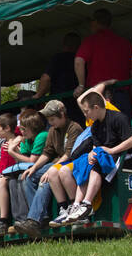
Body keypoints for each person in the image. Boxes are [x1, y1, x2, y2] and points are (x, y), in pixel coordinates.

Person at [52, 91, 132, 225]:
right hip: (107, 156)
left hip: (125, 156)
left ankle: (86, 204)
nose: (85, 115)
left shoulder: (118, 118)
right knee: (85, 164)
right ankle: (77, 205)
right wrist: (92, 154)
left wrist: (111, 150)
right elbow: (97, 146)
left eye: (86, 112)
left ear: (96, 108)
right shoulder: (95, 126)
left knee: (96, 165)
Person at [10, 100, 86, 238]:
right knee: (29, 177)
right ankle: (42, 217)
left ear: (62, 115)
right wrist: (34, 168)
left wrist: (53, 167)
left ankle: (34, 220)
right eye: (49, 120)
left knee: (46, 179)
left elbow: (69, 154)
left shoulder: (74, 128)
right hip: (55, 163)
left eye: (53, 119)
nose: (50, 123)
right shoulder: (52, 130)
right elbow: (47, 153)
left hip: (71, 163)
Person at [75, 9, 132, 116]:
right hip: (121, 95)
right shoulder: (125, 44)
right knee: (124, 130)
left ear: (95, 22)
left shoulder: (90, 41)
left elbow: (79, 62)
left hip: (97, 97)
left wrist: (81, 85)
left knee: (99, 131)